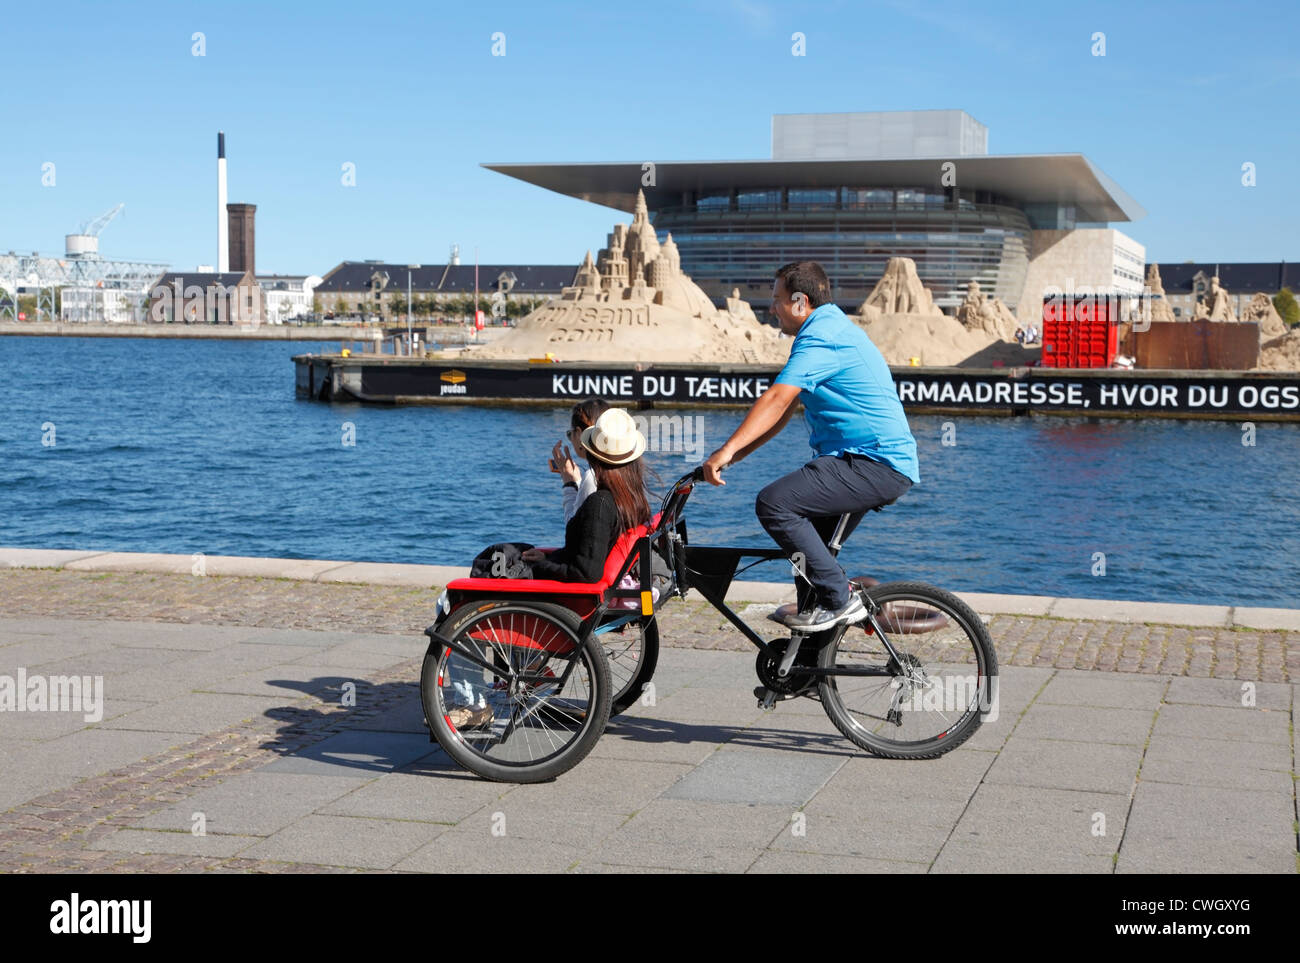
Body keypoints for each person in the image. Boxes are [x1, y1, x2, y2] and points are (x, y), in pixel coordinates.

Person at [702, 260, 919, 632]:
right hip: (866, 462)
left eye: (777, 300)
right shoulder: (828, 330)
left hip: (873, 463)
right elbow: (785, 409)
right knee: (807, 563)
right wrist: (734, 456)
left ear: (801, 302)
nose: (772, 308)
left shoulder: (823, 335)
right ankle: (808, 668)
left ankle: (840, 599)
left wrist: (724, 449)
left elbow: (775, 398)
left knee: (775, 504)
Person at [471, 407, 651, 583]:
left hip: (571, 595)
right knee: (504, 555)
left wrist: (541, 565)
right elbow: (589, 553)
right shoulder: (631, 496)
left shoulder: (601, 503)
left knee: (490, 562)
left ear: (593, 454)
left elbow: (586, 573)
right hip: (574, 575)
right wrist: (549, 557)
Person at [549, 398, 609, 523]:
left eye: (570, 434)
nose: (570, 439)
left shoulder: (592, 477)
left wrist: (569, 482)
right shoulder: (629, 471)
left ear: (580, 434)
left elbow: (574, 529)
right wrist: (577, 481)